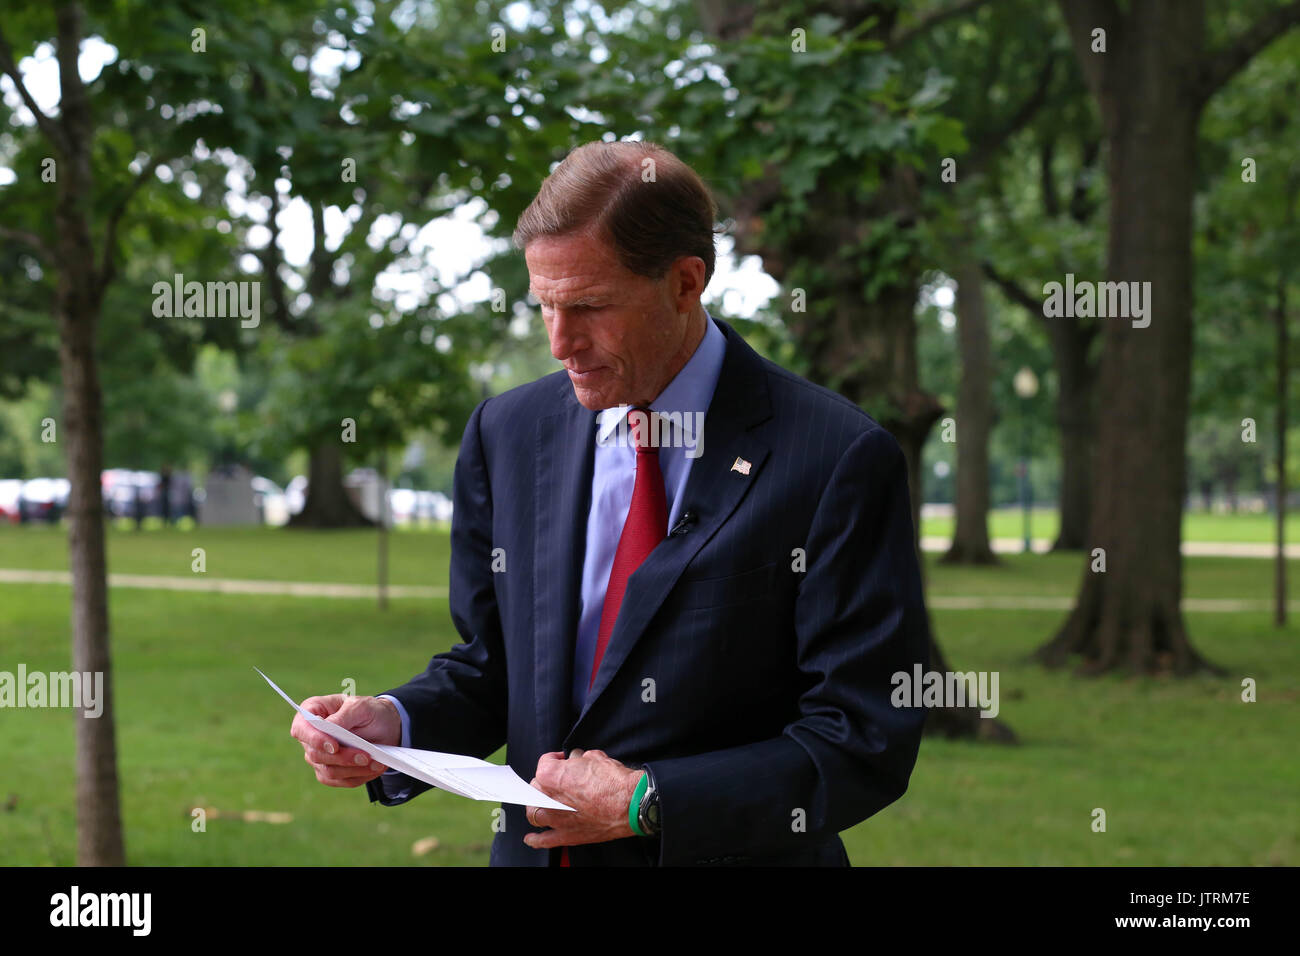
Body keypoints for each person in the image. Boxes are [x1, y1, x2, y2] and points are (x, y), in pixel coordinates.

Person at [291, 140, 930, 866]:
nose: (562, 343)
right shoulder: (506, 432)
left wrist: (653, 803)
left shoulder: (836, 455)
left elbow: (861, 737)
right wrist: (395, 724)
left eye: (591, 306)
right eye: (546, 307)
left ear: (686, 283)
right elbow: (493, 668)